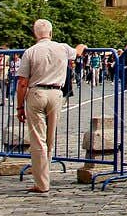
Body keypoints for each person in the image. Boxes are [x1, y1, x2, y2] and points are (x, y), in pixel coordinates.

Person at [17, 19, 84, 194]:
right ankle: (44, 175)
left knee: (38, 140)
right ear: (51, 33)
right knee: (50, 138)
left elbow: (23, 82)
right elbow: (76, 53)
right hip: (56, 94)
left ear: (35, 34)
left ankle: (42, 182)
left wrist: (19, 106)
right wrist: (81, 46)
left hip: (37, 93)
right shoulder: (62, 47)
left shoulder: (30, 52)